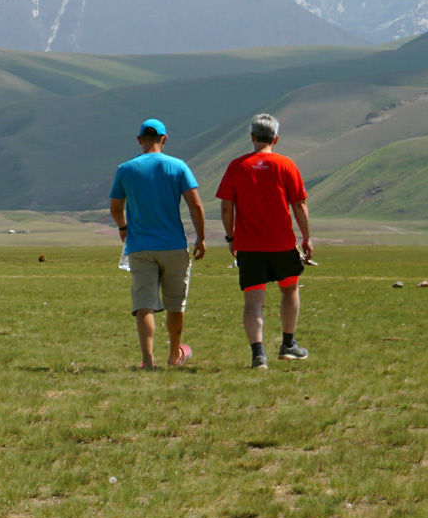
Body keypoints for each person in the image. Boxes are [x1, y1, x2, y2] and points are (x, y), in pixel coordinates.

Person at [217, 113, 313, 369]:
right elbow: (299, 204)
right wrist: (306, 237)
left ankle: (258, 354)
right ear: (276, 139)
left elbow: (227, 207)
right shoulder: (286, 165)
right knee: (290, 289)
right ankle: (288, 344)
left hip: (248, 246)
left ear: (252, 138)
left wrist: (231, 237)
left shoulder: (237, 166)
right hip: (282, 243)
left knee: (253, 301)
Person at [109, 119, 206, 370]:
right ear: (164, 139)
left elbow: (116, 207)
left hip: (140, 247)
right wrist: (201, 237)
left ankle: (148, 361)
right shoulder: (178, 166)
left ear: (140, 139)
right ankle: (174, 354)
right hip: (173, 245)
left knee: (144, 305)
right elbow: (195, 204)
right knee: (175, 304)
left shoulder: (126, 169)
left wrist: (123, 228)